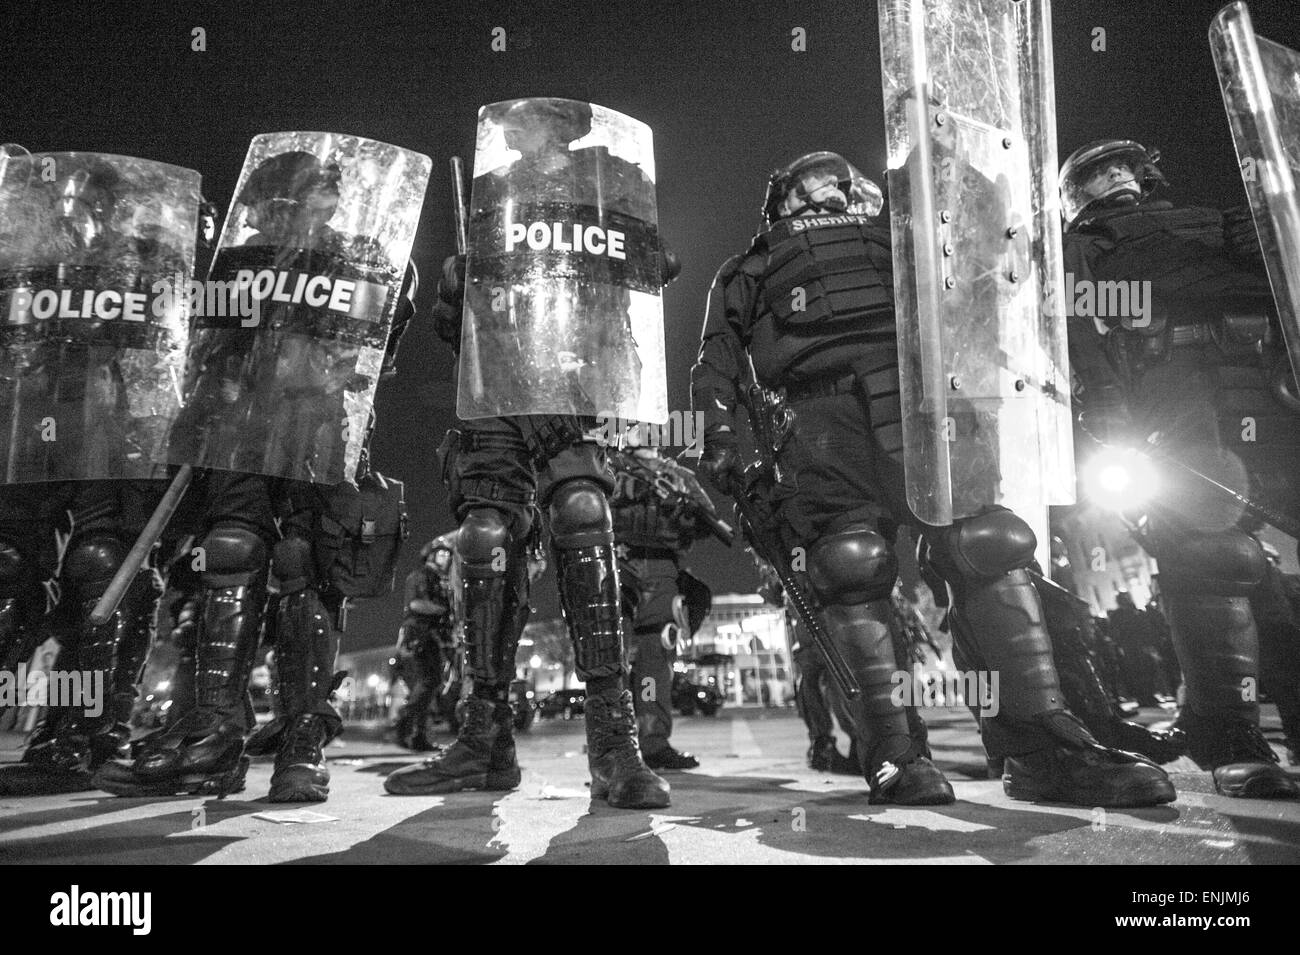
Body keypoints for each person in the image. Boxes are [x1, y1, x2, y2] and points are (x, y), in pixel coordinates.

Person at [693, 151, 1174, 807]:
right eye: (813, 181)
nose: (832, 188)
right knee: (851, 563)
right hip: (819, 419)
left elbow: (981, 292)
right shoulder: (750, 265)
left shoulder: (906, 233)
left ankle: (1044, 749)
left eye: (840, 176)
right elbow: (716, 361)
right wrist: (716, 438)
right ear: (783, 201)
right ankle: (895, 757)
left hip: (932, 401)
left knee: (991, 543)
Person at [384, 98, 672, 809]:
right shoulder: (488, 210)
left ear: (565, 136)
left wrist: (626, 237)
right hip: (498, 398)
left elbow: (654, 266)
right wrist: (459, 288)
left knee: (582, 514)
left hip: (574, 387)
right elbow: (456, 333)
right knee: (483, 539)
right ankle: (484, 736)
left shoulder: (605, 183)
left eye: (537, 130)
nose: (523, 139)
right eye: (516, 132)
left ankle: (615, 740)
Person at [1061, 138, 1299, 798]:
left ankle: (1219, 724)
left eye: (1122, 167)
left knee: (1255, 562)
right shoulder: (1080, 247)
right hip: (1168, 406)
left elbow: (1281, 273)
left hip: (1249, 399)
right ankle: (1227, 735)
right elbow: (1080, 339)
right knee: (1217, 557)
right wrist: (1107, 418)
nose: (1113, 177)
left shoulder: (1212, 223)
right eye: (1096, 172)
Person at [608, 445, 716, 770]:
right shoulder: (608, 465)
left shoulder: (678, 476)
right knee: (611, 655)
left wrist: (685, 511)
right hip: (617, 565)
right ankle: (613, 741)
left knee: (655, 659)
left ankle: (652, 742)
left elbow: (709, 520)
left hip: (660, 567)